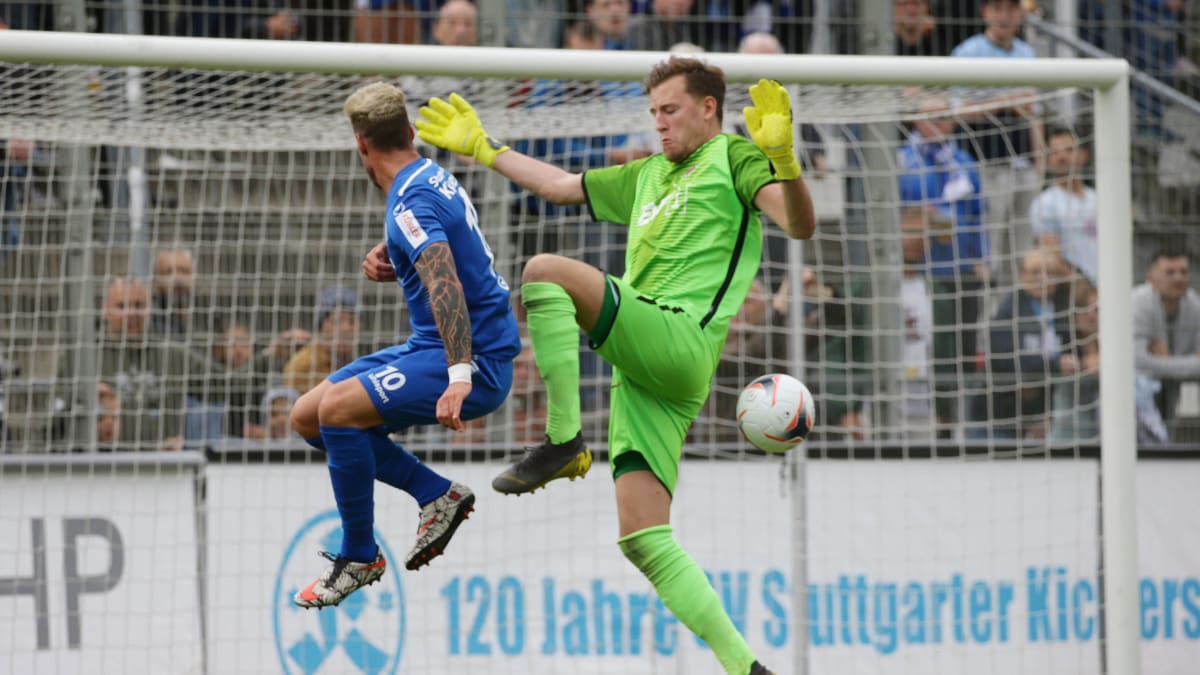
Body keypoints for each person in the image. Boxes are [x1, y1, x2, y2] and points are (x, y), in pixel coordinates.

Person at [415, 57, 815, 675]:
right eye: (653, 113)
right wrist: (483, 148)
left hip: (680, 337)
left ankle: (564, 439)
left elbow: (799, 222)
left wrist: (786, 164)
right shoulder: (647, 173)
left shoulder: (736, 158)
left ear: (709, 107)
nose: (659, 124)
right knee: (644, 539)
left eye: (671, 111)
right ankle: (746, 668)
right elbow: (558, 186)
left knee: (544, 273)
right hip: (648, 373)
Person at [289, 81, 522, 609]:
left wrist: (460, 374)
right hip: (431, 346)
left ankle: (360, 555)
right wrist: (392, 253)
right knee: (308, 416)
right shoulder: (430, 176)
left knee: (339, 411)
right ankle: (436, 494)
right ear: (411, 133)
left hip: (472, 360)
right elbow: (442, 247)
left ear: (361, 146)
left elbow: (447, 285)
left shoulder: (407, 203)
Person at [950, 0, 1044, 288]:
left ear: (1020, 14)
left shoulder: (1027, 54)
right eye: (997, 8)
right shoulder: (968, 52)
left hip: (1023, 168)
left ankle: (1014, 322)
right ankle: (985, 328)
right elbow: (955, 111)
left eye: (1011, 9)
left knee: (1021, 254)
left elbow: (1034, 113)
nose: (1004, 16)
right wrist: (1002, 103)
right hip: (986, 166)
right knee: (990, 255)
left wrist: (1040, 163)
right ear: (985, 13)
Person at [1132, 249, 1200, 434]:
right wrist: (1188, 362)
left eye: (1183, 272)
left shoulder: (1194, 305)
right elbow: (1136, 362)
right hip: (1134, 397)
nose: (1178, 278)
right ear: (1151, 278)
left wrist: (1164, 360)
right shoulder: (1137, 302)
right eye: (1169, 272)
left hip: (1171, 391)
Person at [1030, 125, 1097, 287]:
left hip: (1107, 287)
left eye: (1069, 150)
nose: (1061, 157)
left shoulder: (1099, 199)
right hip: (1073, 294)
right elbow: (1053, 258)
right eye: (1054, 152)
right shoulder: (1045, 203)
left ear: (1084, 155)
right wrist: (1086, 289)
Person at [283, 285, 362, 395]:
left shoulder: (362, 363)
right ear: (321, 327)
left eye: (352, 321)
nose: (346, 329)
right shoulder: (304, 365)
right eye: (336, 321)